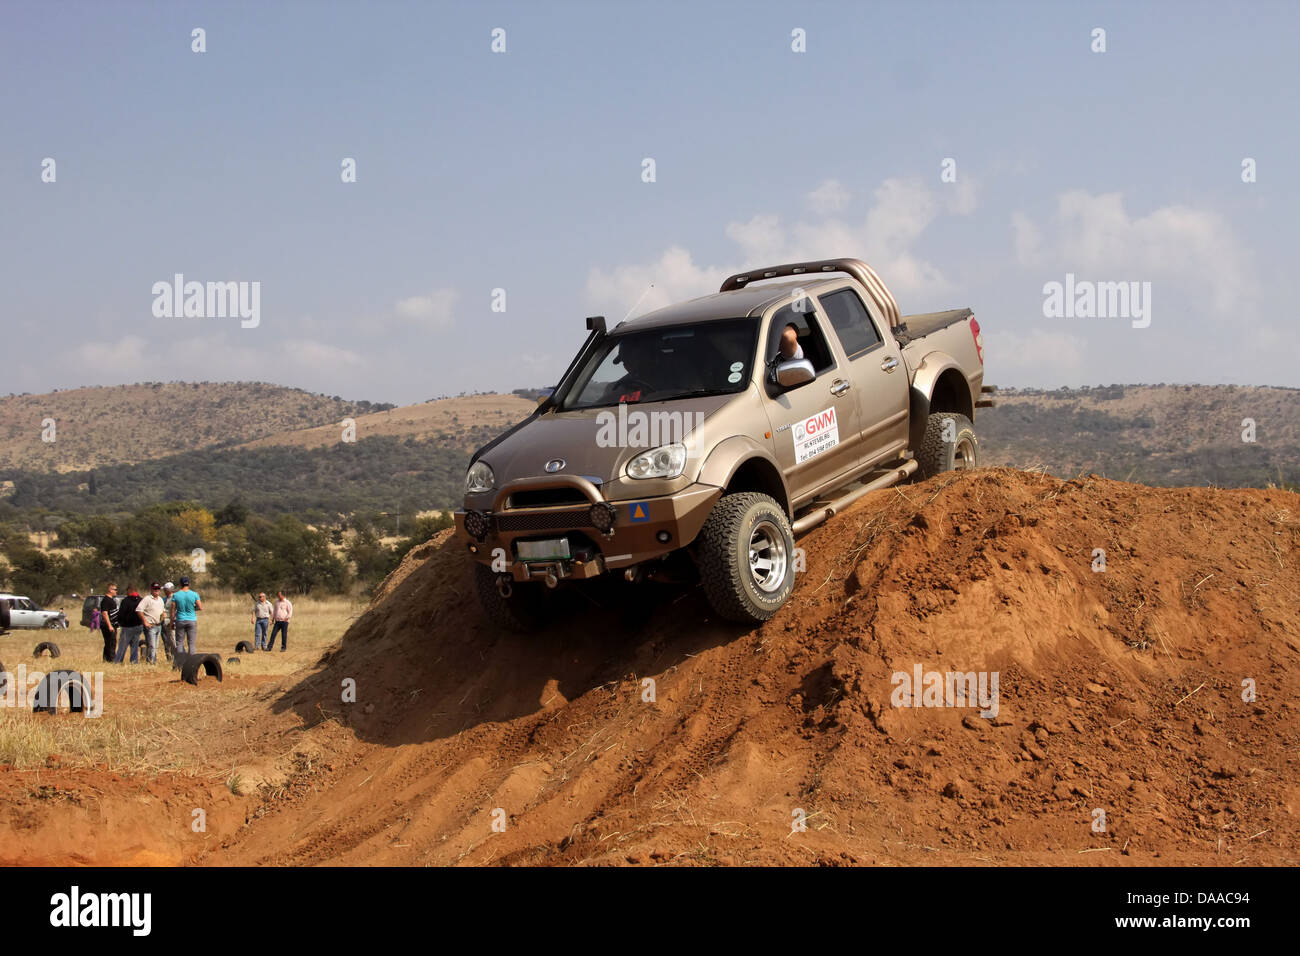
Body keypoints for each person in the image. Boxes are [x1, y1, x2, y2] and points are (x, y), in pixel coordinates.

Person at [169, 576, 202, 655]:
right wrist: (193, 608)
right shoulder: (194, 594)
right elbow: (200, 607)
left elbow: (173, 610)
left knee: (179, 643)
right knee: (191, 643)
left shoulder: (176, 595)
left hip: (180, 620)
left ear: (181, 584)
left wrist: (171, 623)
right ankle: (192, 662)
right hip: (191, 620)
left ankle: (180, 661)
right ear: (189, 584)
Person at [138, 582, 167, 665]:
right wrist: (145, 622)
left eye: (158, 589)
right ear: (151, 589)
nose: (156, 590)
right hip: (150, 626)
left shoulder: (160, 599)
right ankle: (151, 662)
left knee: (155, 646)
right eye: (155, 589)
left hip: (158, 625)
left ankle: (151, 661)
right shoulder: (147, 599)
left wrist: (163, 614)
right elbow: (139, 610)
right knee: (152, 646)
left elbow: (163, 610)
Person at [114, 586, 145, 664]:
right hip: (138, 626)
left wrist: (120, 622)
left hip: (127, 626)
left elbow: (121, 614)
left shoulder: (126, 601)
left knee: (123, 645)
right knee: (134, 645)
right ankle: (134, 661)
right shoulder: (141, 600)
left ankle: (118, 661)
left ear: (129, 591)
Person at [98, 584, 120, 663]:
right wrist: (109, 626)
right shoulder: (106, 600)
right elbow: (104, 613)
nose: (116, 591)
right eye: (115, 589)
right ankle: (111, 660)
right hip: (108, 625)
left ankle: (106, 660)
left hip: (113, 624)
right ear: (110, 590)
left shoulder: (111, 600)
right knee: (111, 643)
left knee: (109, 642)